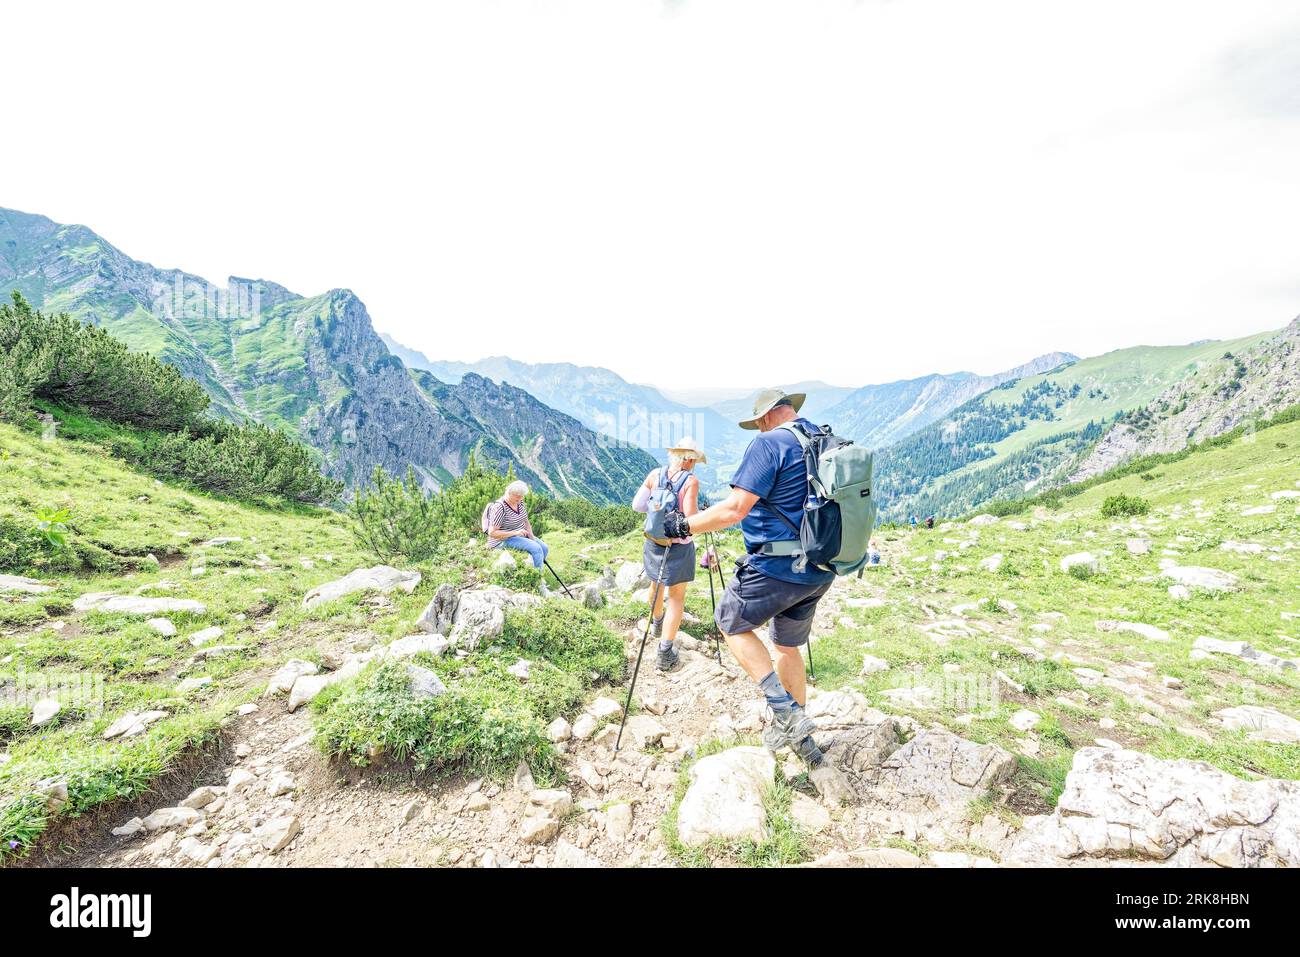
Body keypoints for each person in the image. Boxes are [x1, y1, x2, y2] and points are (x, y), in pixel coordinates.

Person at [660, 389, 834, 767]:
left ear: (768, 416)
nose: (757, 428)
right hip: (820, 568)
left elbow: (736, 508)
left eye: (757, 422)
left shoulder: (770, 443)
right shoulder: (823, 439)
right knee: (787, 647)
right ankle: (802, 741)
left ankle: (787, 714)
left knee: (729, 620)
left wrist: (684, 524)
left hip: (778, 567)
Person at [632, 437, 705, 671]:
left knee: (655, 584)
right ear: (690, 459)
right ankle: (665, 652)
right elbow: (691, 518)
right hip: (678, 546)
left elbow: (637, 506)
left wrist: (657, 513)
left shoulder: (655, 474)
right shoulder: (690, 481)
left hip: (654, 541)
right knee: (676, 596)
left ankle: (656, 623)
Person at [484, 480, 550, 593]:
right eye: (517, 497)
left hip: (519, 534)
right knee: (536, 549)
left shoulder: (520, 503)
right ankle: (539, 583)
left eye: (521, 497)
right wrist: (515, 533)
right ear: (508, 493)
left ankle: (534, 571)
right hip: (501, 540)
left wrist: (532, 537)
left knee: (544, 548)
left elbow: (526, 521)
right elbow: (492, 533)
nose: (519, 499)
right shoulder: (500, 507)